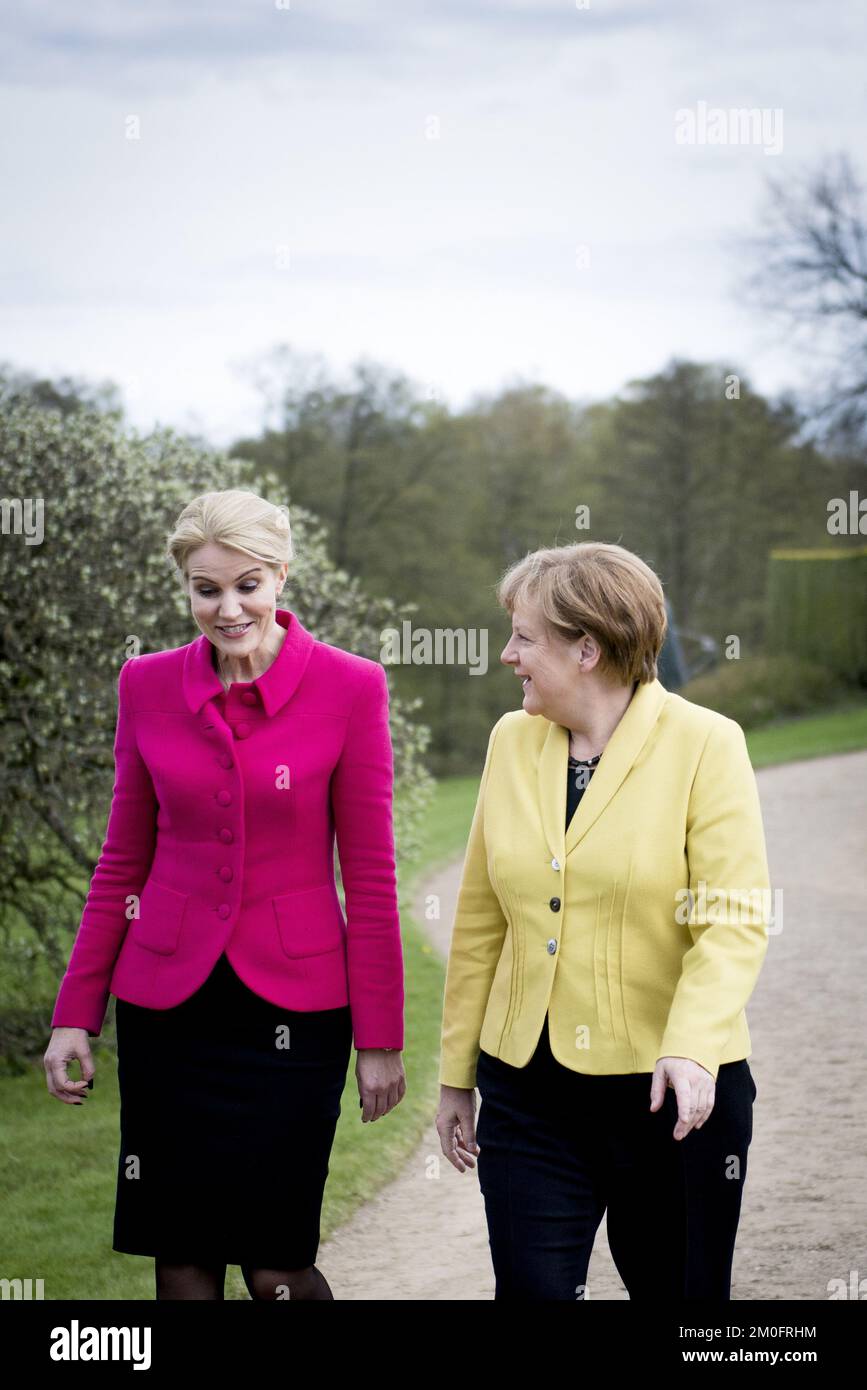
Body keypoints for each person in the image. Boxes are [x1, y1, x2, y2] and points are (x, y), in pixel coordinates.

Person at [44, 488, 406, 1300]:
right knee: (183, 1258)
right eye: (206, 589)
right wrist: (75, 1014)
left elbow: (373, 879)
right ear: (186, 590)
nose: (228, 606)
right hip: (168, 1010)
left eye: (247, 584)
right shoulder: (144, 684)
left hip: (297, 1012)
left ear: (281, 578)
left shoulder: (351, 688)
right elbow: (119, 863)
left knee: (276, 1264)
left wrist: (379, 1036)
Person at [436, 541, 770, 1300]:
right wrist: (457, 1076)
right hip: (528, 1096)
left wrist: (690, 1047)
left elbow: (731, 919)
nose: (506, 653)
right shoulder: (508, 741)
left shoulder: (706, 744)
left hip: (671, 1097)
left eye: (523, 636)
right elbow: (481, 918)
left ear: (585, 648)